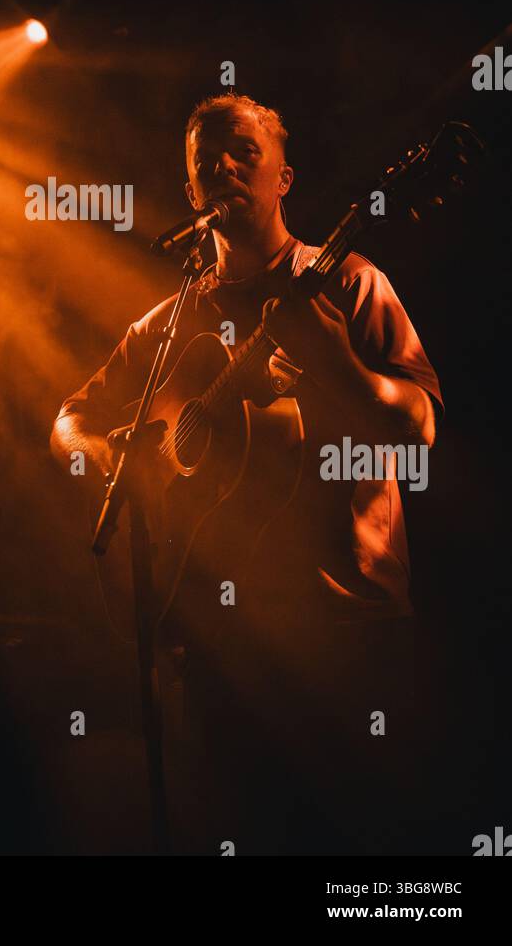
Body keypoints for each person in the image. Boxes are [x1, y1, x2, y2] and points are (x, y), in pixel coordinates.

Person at [50, 92, 443, 854]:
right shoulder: (166, 326)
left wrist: (340, 368)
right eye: (206, 164)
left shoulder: (349, 283)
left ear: (284, 178)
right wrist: (91, 454)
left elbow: (420, 429)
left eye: (244, 154)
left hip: (345, 624)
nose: (225, 168)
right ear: (191, 195)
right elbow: (71, 414)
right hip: (223, 637)